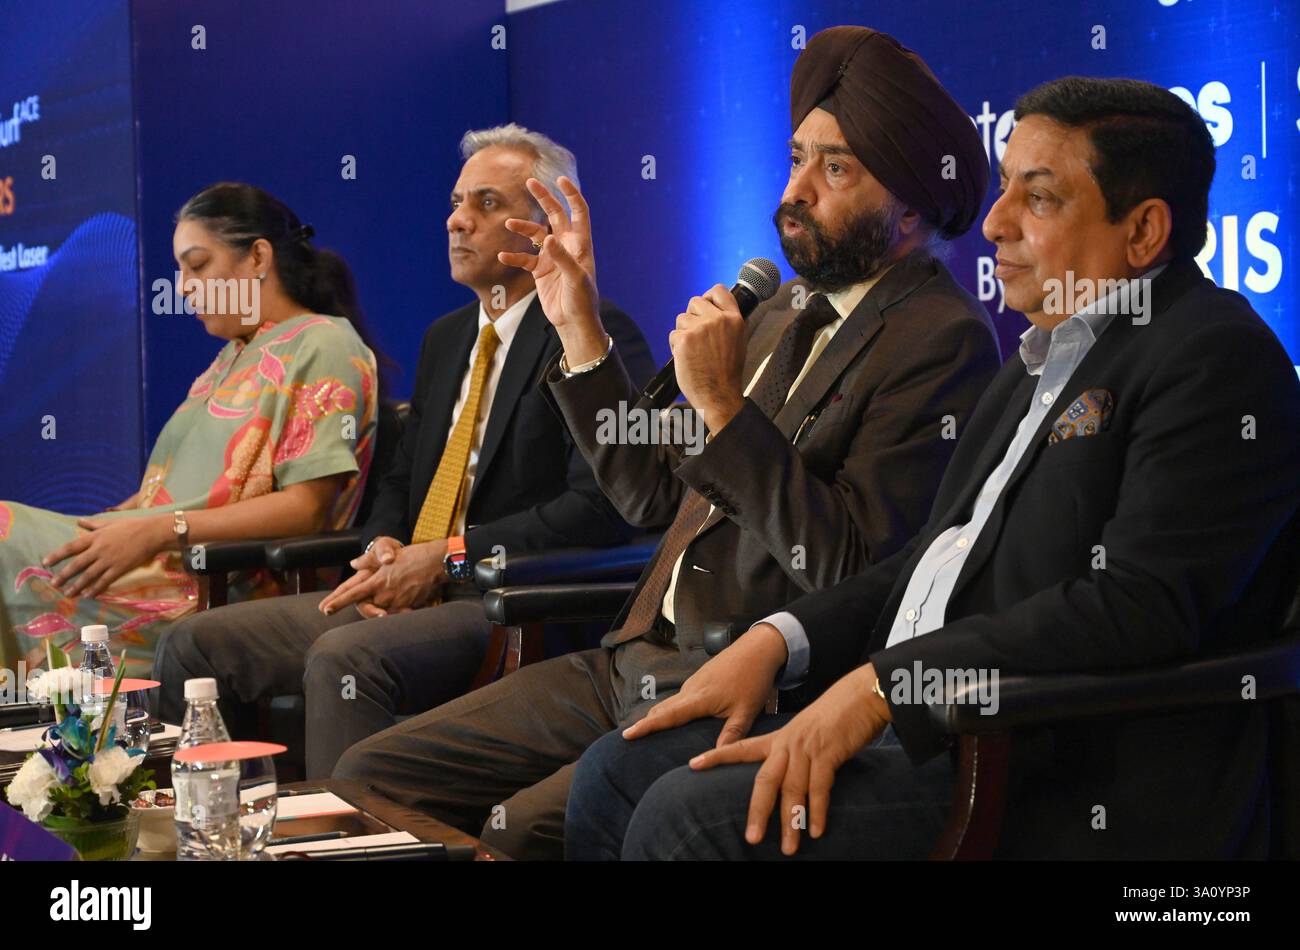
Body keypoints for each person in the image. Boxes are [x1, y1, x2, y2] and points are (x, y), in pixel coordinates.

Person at [566, 74, 1300, 861]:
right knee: (618, 772)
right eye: (1005, 185)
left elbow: (1137, 606)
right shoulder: (1039, 356)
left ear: (1144, 232)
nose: (995, 222)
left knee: (687, 817)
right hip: (930, 723)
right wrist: (780, 640)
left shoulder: (1213, 358)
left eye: (1040, 198)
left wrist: (887, 685)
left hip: (1044, 758)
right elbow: (931, 559)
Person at [333, 25, 1003, 860]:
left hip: (743, 677)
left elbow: (853, 566)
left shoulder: (939, 340)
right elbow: (648, 492)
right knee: (367, 774)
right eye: (797, 157)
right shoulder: (780, 309)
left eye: (835, 170)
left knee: (524, 825)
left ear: (909, 201)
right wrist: (576, 323)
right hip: (629, 657)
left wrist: (724, 407)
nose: (796, 190)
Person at [154, 125, 655, 776]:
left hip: (500, 597)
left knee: (345, 658)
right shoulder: (445, 339)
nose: (458, 220)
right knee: (192, 643)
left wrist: (446, 558)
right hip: (403, 585)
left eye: (486, 204)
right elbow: (398, 481)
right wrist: (384, 547)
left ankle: (348, 845)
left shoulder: (598, 334)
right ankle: (220, 835)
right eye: (455, 202)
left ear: (549, 223)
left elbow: (599, 510)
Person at [0, 182, 379, 677]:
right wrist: (120, 528)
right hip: (157, 554)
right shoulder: (232, 356)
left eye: (197, 265)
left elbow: (306, 508)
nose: (182, 287)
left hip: (215, 580)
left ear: (259, 257)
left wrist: (157, 530)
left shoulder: (322, 343)